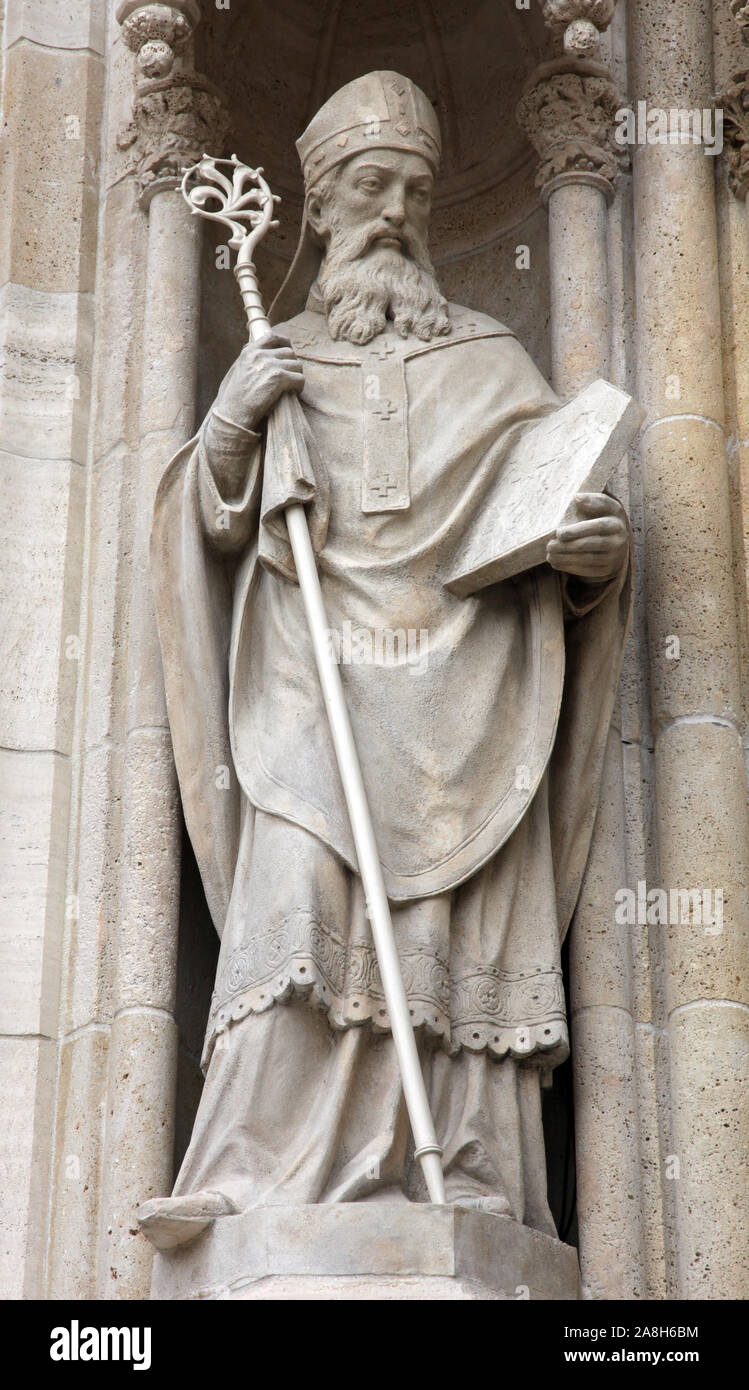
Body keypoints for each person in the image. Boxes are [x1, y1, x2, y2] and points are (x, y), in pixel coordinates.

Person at [140, 71, 630, 1250]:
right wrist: (228, 425)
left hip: (465, 690)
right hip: (305, 675)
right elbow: (196, 533)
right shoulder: (277, 360)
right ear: (317, 207)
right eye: (371, 185)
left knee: (442, 934)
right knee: (293, 889)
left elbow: (547, 493)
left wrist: (589, 558)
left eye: (416, 188)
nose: (398, 209)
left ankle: (463, 1177)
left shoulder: (492, 357)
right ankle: (250, 1173)